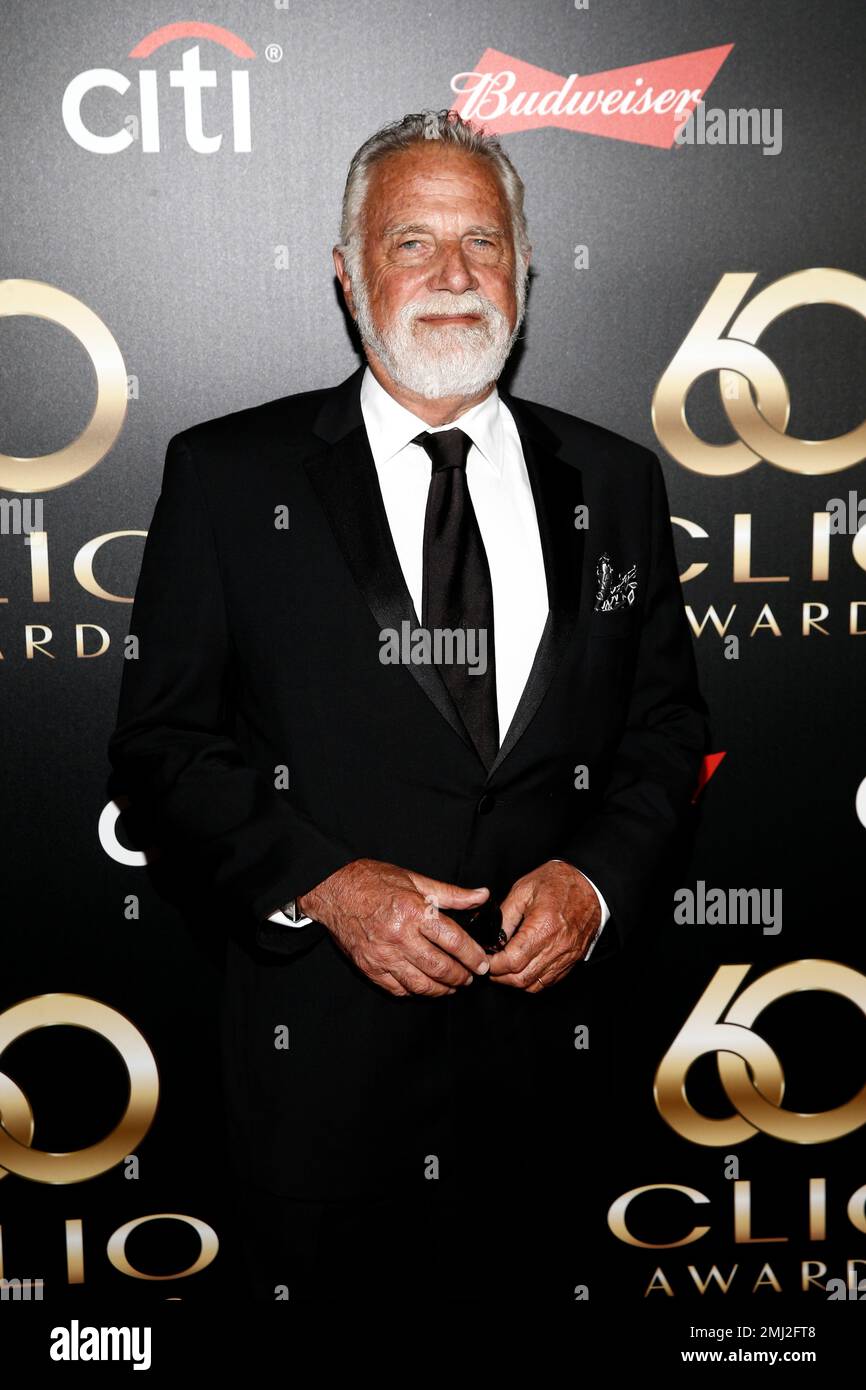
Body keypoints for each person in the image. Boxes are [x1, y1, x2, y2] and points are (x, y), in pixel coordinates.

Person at [107, 108, 709, 1303]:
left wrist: (593, 882)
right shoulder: (229, 480)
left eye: (481, 243)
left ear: (523, 273)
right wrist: (329, 887)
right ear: (346, 272)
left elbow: (664, 731)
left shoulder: (615, 480)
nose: (450, 275)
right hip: (319, 1098)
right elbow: (164, 748)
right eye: (409, 242)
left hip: (556, 1093)